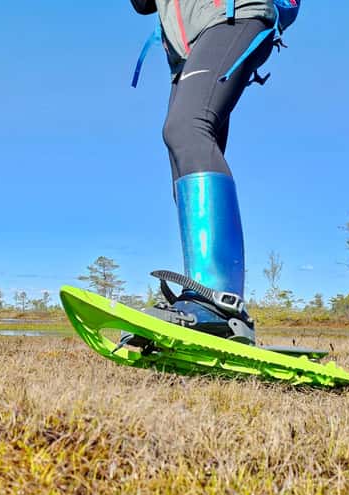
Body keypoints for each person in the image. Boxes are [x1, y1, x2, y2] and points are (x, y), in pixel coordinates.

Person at [130, 0, 298, 343]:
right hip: (187, 48)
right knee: (183, 158)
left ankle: (219, 303)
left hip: (233, 16)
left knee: (185, 129)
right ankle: (205, 311)